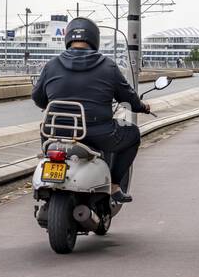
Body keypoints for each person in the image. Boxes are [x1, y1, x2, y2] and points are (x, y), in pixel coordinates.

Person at [31, 17, 153, 203]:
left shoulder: (51, 65)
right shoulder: (108, 66)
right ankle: (114, 185)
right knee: (133, 134)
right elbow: (129, 98)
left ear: (68, 38)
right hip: (98, 133)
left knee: (45, 131)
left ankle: (48, 169)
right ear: (94, 39)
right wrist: (142, 107)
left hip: (55, 132)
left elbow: (38, 99)